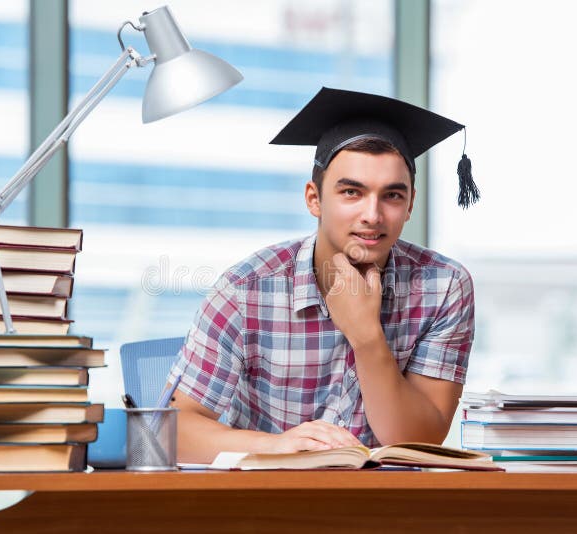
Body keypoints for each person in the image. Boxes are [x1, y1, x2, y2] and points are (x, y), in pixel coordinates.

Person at [168, 87, 479, 462]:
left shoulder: (443, 287)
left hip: (390, 509)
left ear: (410, 202)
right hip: (267, 506)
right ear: (314, 199)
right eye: (352, 192)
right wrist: (277, 446)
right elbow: (174, 429)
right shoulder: (244, 290)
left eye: (392, 196)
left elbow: (418, 442)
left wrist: (366, 337)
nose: (372, 215)